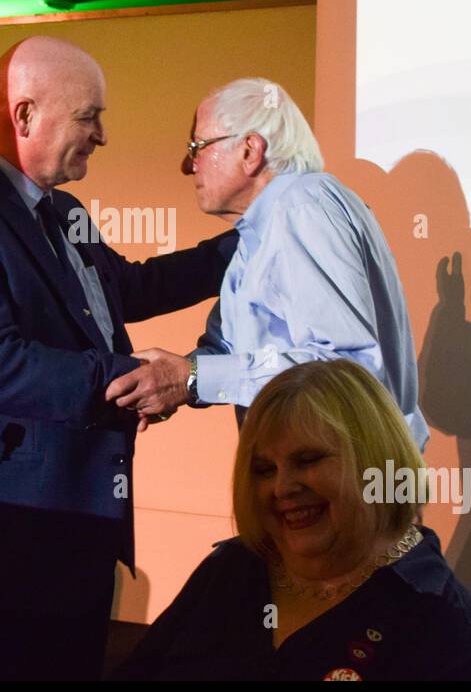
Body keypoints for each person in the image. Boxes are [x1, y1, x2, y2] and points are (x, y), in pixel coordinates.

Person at [0, 36, 237, 680]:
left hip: (73, 535)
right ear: (24, 116)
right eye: (89, 116)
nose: (102, 135)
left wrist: (243, 246)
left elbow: (124, 289)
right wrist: (140, 377)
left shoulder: (65, 210)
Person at [112, 358, 471, 680]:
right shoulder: (233, 568)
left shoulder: (437, 619)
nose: (282, 488)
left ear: (374, 461)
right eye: (265, 469)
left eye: (308, 461)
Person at [106, 78, 428, 447]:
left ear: (250, 150)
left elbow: (345, 364)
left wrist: (192, 378)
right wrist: (170, 380)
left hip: (342, 472)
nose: (187, 165)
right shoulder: (262, 228)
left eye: (198, 146)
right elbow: (238, 352)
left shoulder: (303, 206)